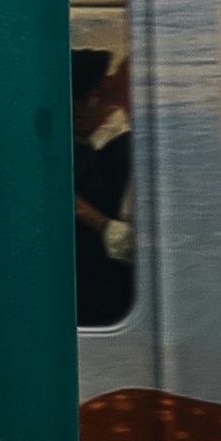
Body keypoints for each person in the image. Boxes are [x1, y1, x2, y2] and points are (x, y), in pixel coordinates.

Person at [74, 46, 138, 328]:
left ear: (91, 100)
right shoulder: (80, 149)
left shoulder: (130, 154)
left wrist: (91, 217)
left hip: (111, 307)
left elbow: (140, 245)